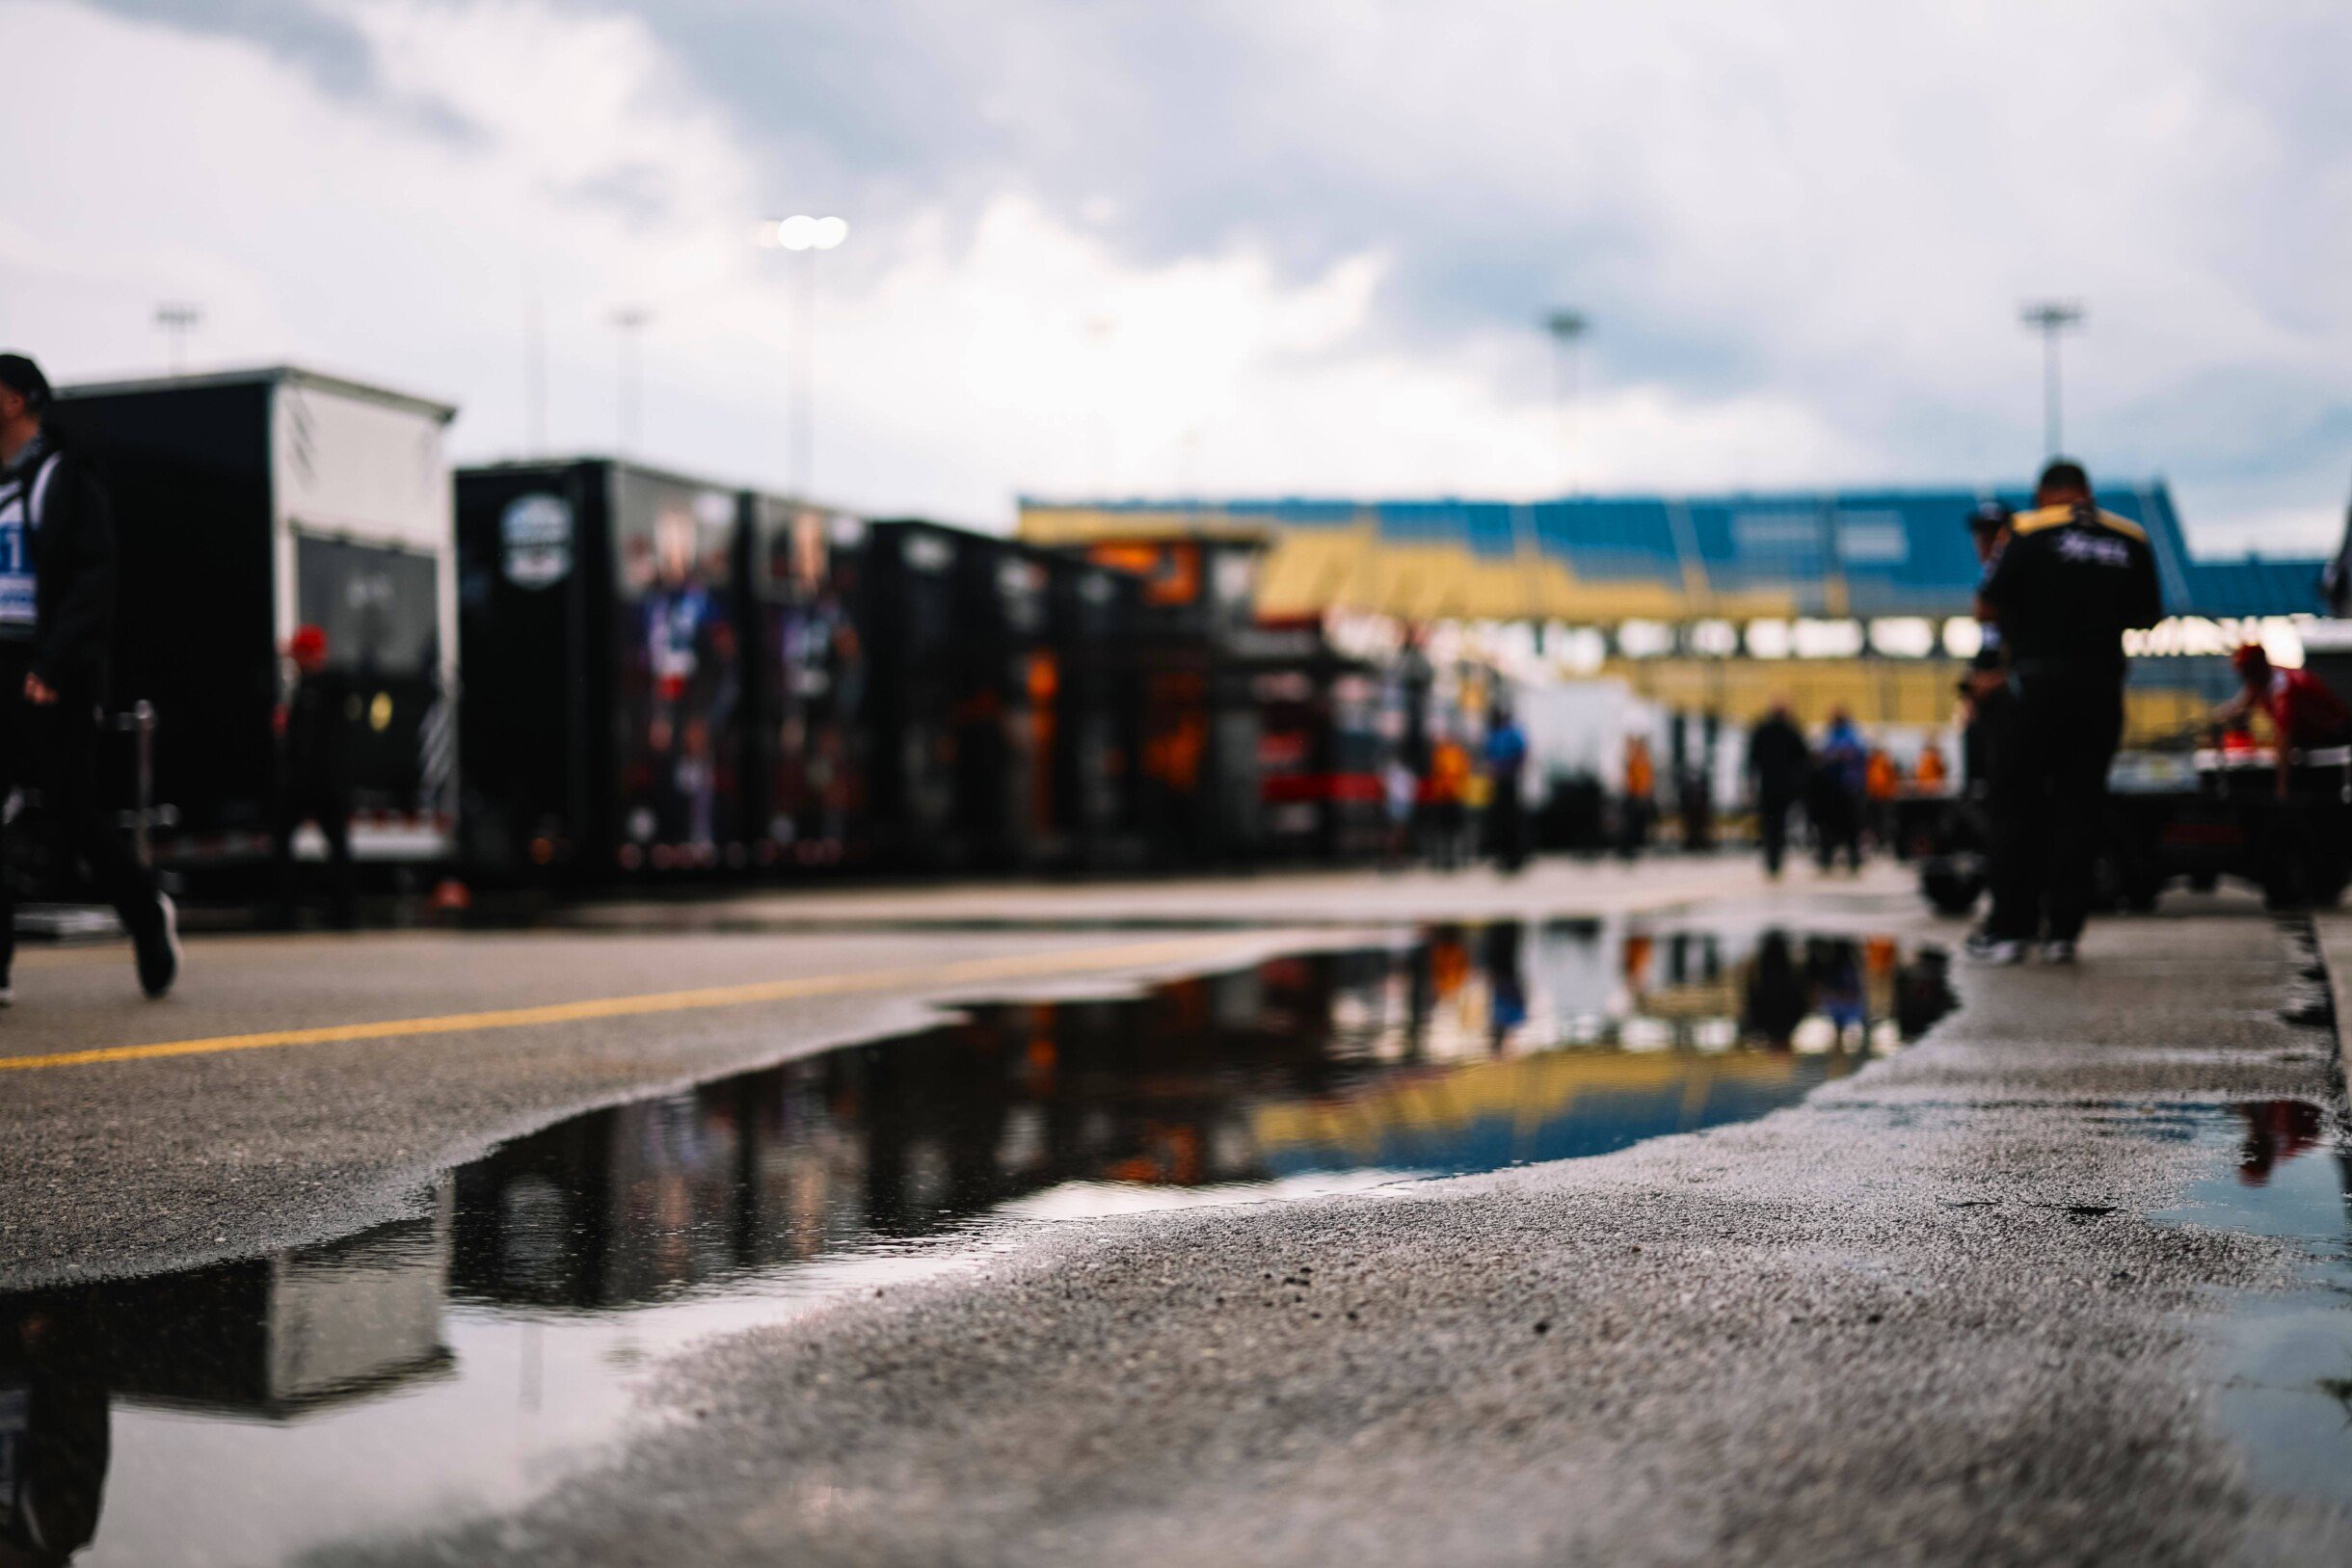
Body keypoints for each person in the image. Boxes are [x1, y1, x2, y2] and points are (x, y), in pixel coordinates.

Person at [0, 353, 177, 1001]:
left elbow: (94, 580)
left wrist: (54, 662)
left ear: (16, 400)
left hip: (51, 667)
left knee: (73, 813)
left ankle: (145, 913)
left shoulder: (66, 474)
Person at [1973, 458, 2164, 964]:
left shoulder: (2028, 530)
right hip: (2101, 690)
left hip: (2035, 689)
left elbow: (1986, 605)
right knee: (2080, 809)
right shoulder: (2130, 537)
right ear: (2086, 491)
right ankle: (2063, 932)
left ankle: (2011, 930)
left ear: (2044, 494)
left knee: (2015, 807)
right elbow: (2147, 617)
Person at [270, 624, 358, 928]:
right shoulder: (309, 688)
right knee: (329, 843)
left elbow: (310, 742)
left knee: (325, 843)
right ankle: (333, 911)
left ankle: (298, 912)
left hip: (317, 782)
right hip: (320, 781)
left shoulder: (322, 687)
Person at [2211, 643, 2352, 799]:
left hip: (2336, 736)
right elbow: (2239, 708)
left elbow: (2284, 738)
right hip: (2312, 739)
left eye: (2247, 672)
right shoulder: (2260, 682)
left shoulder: (2283, 688)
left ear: (2257, 669)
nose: (2245, 678)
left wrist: (2282, 789)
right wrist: (2218, 720)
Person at [1744, 702, 1809, 878]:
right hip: (1785, 787)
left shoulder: (1763, 731)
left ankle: (1771, 859)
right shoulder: (1791, 731)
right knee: (1779, 824)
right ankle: (1776, 859)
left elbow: (1752, 759)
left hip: (1768, 786)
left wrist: (1751, 783)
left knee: (1769, 824)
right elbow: (1803, 759)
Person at [1809, 709, 1865, 872]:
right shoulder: (1838, 735)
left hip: (1845, 787)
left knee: (1845, 825)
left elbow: (1850, 755)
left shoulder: (1847, 736)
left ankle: (1846, 856)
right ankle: (1835, 856)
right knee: (1839, 825)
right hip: (1839, 787)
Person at [1483, 704, 1530, 873]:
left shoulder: (1512, 733)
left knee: (1511, 819)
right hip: (1500, 780)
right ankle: (1502, 855)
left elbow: (1522, 753)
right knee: (1500, 819)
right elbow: (1489, 757)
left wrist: (1512, 769)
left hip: (1510, 779)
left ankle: (1514, 856)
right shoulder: (1495, 735)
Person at [1618, 733, 1655, 857]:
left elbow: (1645, 780)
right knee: (1631, 824)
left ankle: (1637, 844)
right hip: (1633, 796)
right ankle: (1631, 846)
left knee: (1638, 824)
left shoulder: (1642, 761)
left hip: (1639, 796)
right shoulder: (1633, 760)